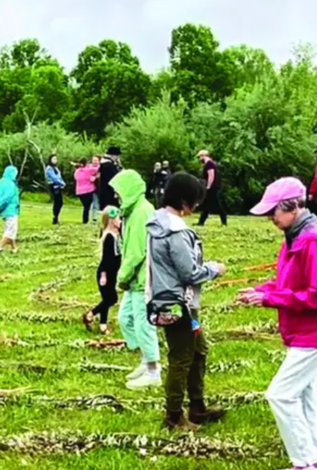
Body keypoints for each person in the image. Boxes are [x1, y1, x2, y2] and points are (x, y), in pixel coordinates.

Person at [239, 177, 317, 470]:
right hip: (304, 332)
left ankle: (309, 463)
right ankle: (313, 458)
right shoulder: (294, 236)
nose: (270, 218)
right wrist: (262, 291)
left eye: (274, 211)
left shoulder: (313, 242)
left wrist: (272, 298)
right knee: (303, 397)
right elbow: (292, 285)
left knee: (280, 394)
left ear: (293, 206)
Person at [146, 172, 226, 430]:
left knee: (199, 350)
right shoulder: (176, 231)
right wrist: (214, 269)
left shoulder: (156, 223)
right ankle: (173, 416)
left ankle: (198, 407)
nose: (197, 205)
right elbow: (189, 272)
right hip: (178, 305)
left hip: (174, 302)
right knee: (182, 357)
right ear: (184, 200)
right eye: (195, 200)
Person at [110, 169, 161, 390]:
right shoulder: (132, 211)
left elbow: (136, 251)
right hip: (134, 280)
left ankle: (153, 371)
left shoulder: (142, 212)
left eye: (118, 191)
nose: (116, 196)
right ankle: (144, 359)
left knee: (143, 325)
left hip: (143, 279)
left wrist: (122, 276)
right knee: (125, 319)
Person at [82, 207, 121, 335]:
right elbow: (106, 258)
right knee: (111, 299)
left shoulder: (116, 236)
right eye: (118, 219)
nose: (120, 221)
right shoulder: (109, 237)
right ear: (111, 221)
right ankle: (90, 314)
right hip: (106, 273)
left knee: (107, 299)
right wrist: (103, 275)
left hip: (113, 272)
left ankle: (103, 325)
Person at [0, 165, 20, 254]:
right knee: (11, 230)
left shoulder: (0, 182)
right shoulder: (11, 184)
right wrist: (2, 205)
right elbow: (7, 198)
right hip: (10, 210)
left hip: (3, 211)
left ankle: (14, 248)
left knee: (9, 229)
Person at [197, 149, 227, 226]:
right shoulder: (209, 164)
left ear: (203, 156)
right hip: (212, 187)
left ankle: (223, 219)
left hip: (212, 187)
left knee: (215, 204)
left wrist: (208, 186)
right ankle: (201, 221)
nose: (199, 159)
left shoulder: (209, 164)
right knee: (207, 204)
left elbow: (211, 175)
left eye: (199, 157)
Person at [73, 158, 98, 224]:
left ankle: (85, 220)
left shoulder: (77, 171)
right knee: (87, 206)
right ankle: (85, 220)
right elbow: (97, 169)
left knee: (86, 206)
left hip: (79, 191)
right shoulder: (89, 170)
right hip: (88, 190)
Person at [45, 154, 65, 225]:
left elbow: (59, 177)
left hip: (58, 186)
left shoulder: (56, 168)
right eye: (53, 159)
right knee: (57, 201)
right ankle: (55, 217)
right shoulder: (49, 168)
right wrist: (61, 183)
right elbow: (54, 178)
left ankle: (56, 216)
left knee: (60, 202)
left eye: (56, 159)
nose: (55, 160)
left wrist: (62, 183)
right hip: (53, 185)